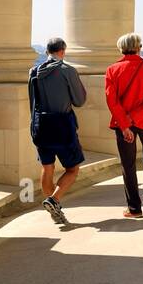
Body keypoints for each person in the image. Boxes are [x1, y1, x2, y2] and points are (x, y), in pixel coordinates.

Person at [28, 37, 87, 220]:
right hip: (63, 126)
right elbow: (79, 100)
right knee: (72, 169)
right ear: (62, 51)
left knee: (47, 167)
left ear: (47, 52)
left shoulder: (34, 71)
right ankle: (54, 200)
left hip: (41, 126)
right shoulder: (67, 70)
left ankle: (53, 208)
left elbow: (33, 102)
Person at [105, 32, 143, 218]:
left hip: (123, 126)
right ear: (139, 47)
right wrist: (135, 118)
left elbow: (111, 101)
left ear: (121, 48)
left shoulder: (112, 70)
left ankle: (134, 208)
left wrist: (125, 123)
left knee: (128, 165)